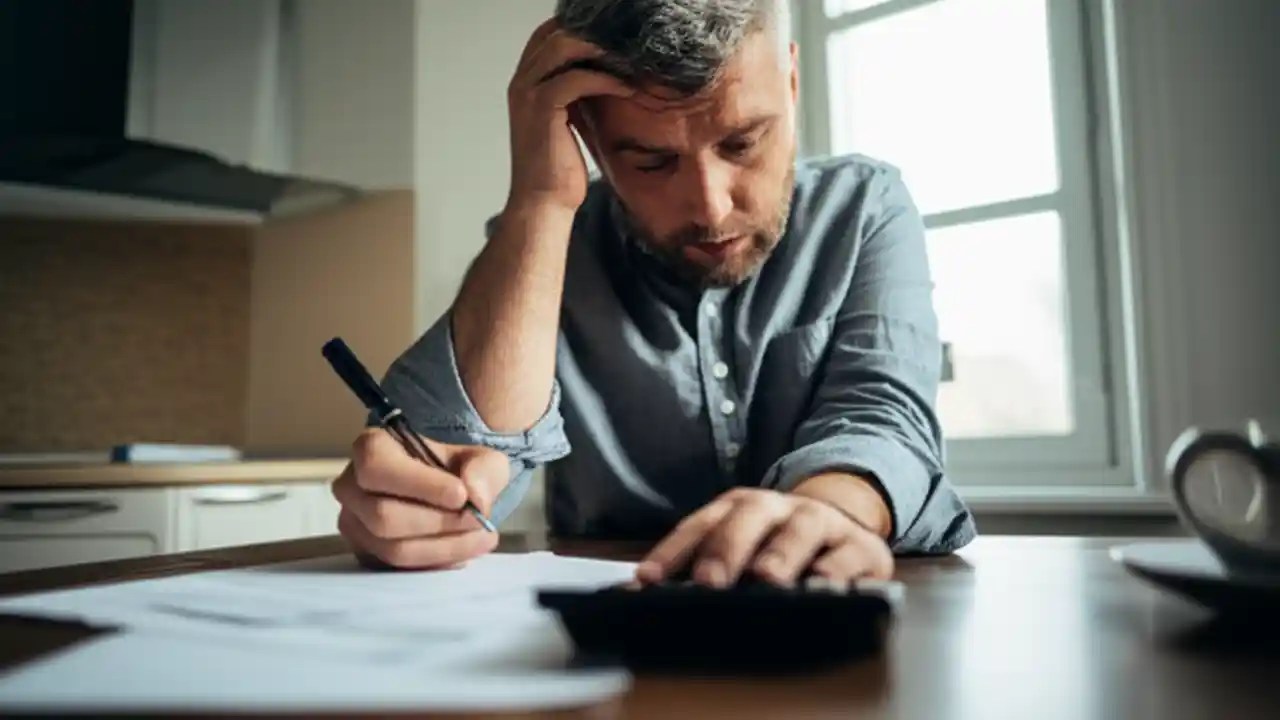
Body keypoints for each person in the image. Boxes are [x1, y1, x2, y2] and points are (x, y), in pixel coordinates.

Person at [330, 0, 976, 587]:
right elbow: (461, 472)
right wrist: (538, 199)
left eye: (743, 142)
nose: (710, 207)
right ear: (585, 133)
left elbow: (881, 416)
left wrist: (822, 514)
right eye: (650, 162)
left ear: (792, 82)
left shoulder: (864, 207)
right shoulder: (548, 245)